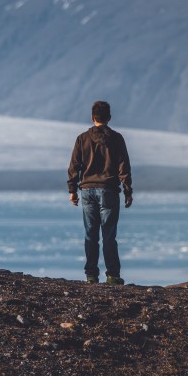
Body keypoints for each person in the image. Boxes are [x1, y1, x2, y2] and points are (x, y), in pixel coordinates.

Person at [67, 100, 133, 284]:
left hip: (87, 190)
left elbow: (74, 166)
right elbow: (124, 167)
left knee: (90, 234)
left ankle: (91, 275)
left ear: (92, 117)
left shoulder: (82, 138)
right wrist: (128, 191)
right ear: (109, 118)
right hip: (109, 191)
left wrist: (72, 190)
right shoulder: (117, 138)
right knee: (109, 235)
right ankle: (112, 275)